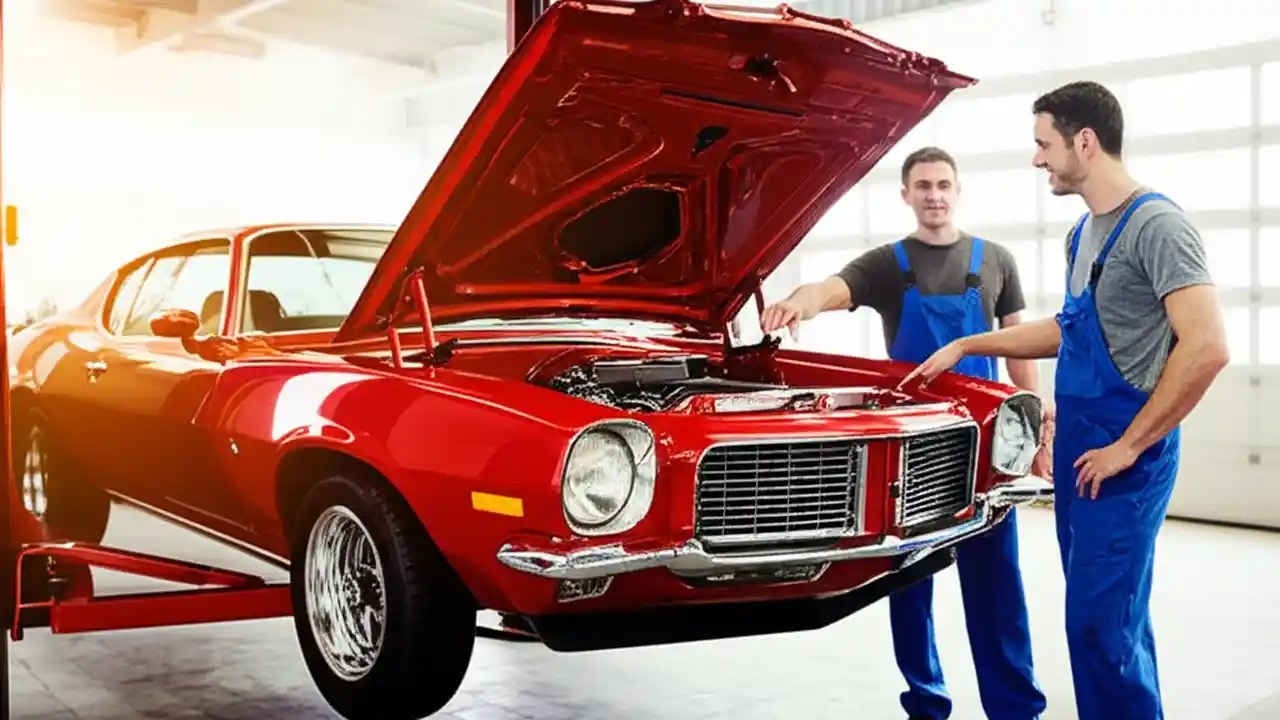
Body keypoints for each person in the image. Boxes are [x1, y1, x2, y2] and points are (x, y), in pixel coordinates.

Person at [899, 81, 1229, 719]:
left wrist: (1129, 446)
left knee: (1100, 629)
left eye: (1043, 143)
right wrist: (970, 341)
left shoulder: (1158, 225)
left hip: (1124, 458)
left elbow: (1208, 346)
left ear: (1085, 141)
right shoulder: (1084, 234)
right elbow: (1071, 328)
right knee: (1109, 625)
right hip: (1084, 452)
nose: (1036, 159)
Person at [759, 146, 1049, 720]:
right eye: (923, 186)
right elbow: (830, 290)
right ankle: (926, 701)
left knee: (998, 587)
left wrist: (1038, 422)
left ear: (958, 189)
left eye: (943, 184)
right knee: (910, 587)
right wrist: (798, 301)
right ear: (906, 194)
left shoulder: (997, 261)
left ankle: (1016, 709)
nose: (934, 195)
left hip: (986, 448)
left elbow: (1021, 346)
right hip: (912, 454)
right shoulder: (887, 264)